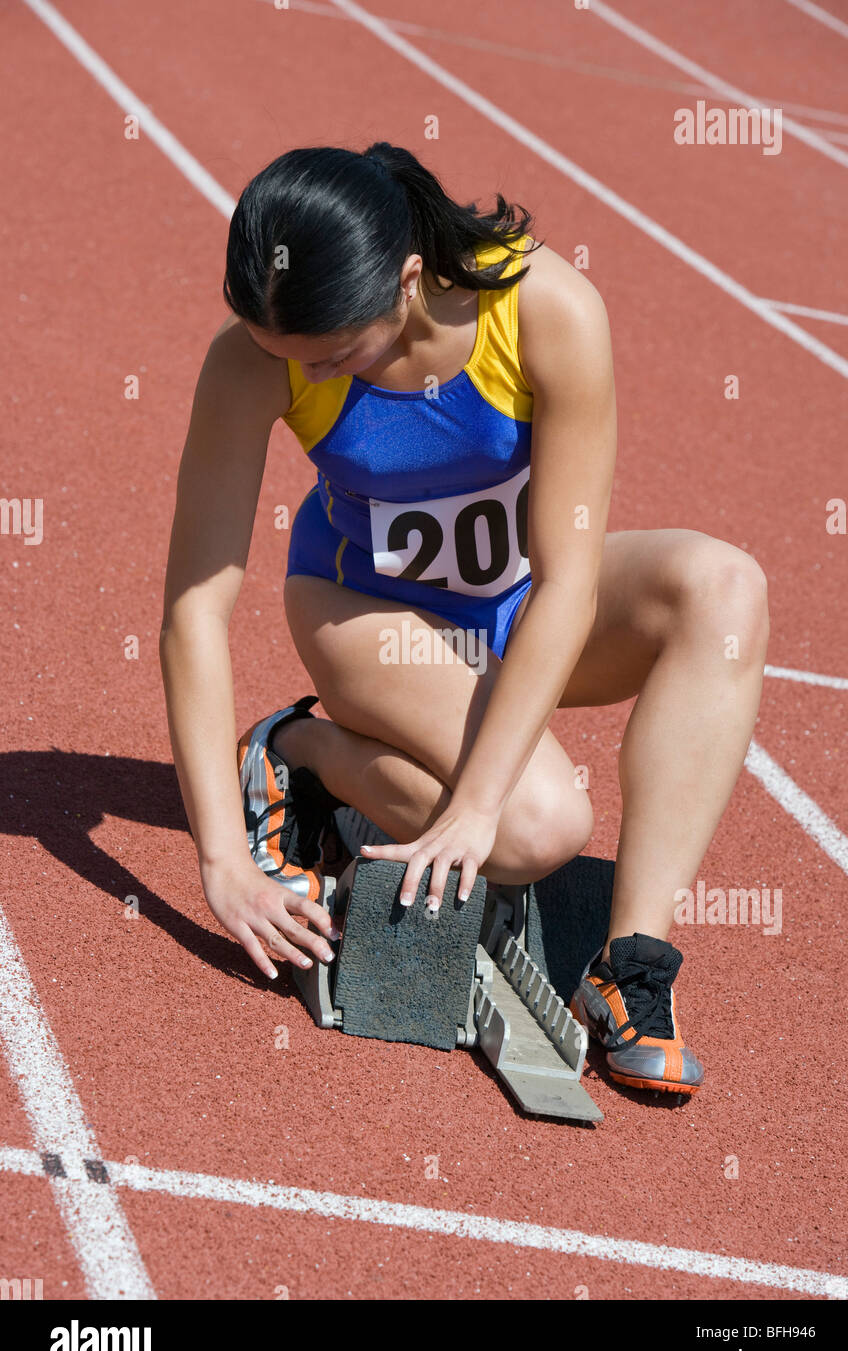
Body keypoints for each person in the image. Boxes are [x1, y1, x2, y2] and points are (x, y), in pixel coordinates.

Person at [160, 142, 769, 1096]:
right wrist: (221, 857)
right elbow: (196, 604)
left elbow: (566, 583)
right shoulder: (253, 357)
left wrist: (473, 804)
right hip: (366, 613)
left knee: (722, 588)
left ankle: (631, 967)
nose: (302, 368)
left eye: (330, 354)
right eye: (285, 352)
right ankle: (303, 750)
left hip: (523, 603)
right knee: (538, 833)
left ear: (407, 280)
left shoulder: (545, 311)